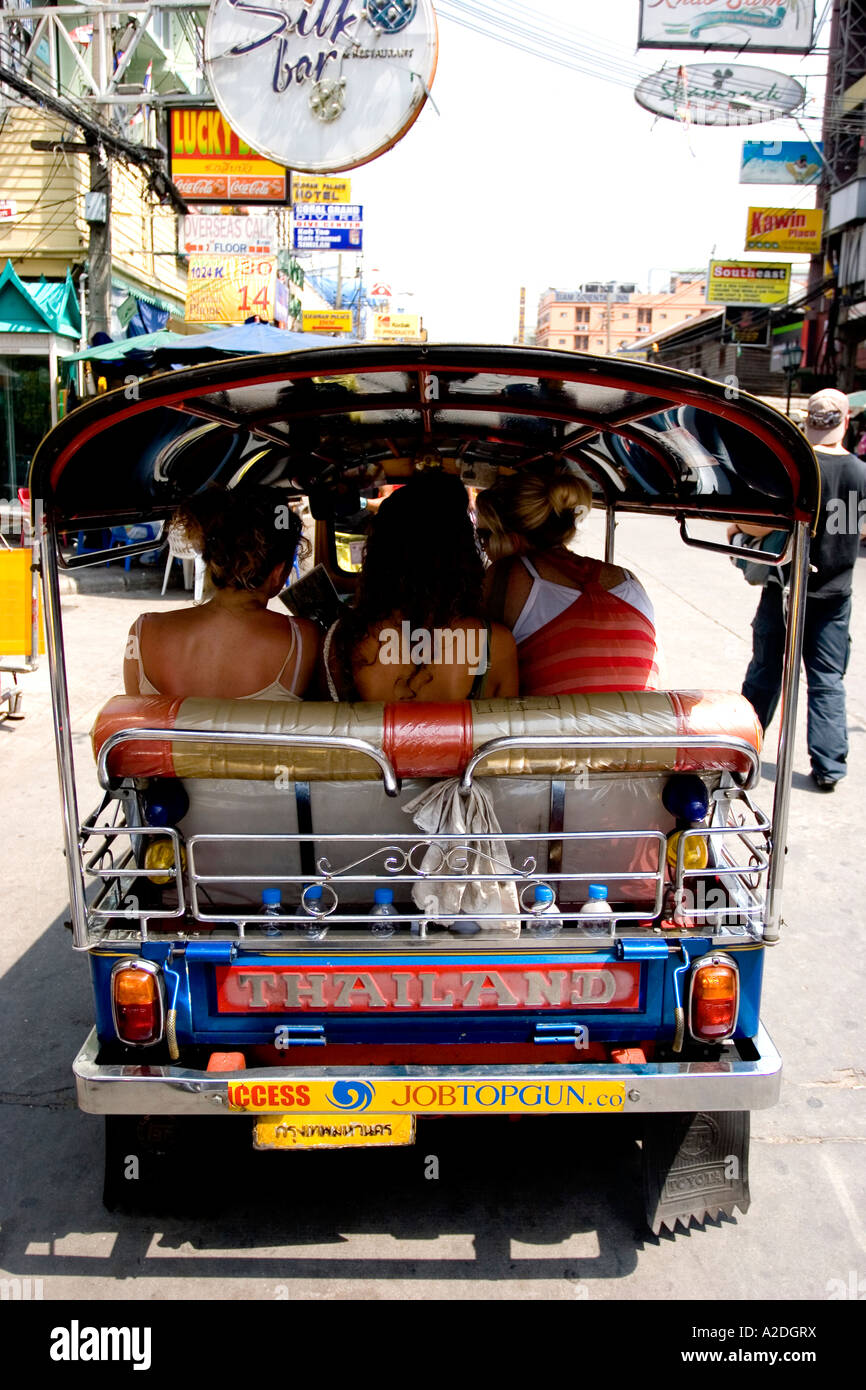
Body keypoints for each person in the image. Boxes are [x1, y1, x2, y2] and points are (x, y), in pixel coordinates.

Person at [737, 388, 866, 791]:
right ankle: (829, 766)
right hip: (835, 593)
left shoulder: (796, 469)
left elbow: (765, 525)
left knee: (764, 673)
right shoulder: (861, 472)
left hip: (784, 588)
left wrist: (737, 529)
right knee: (827, 679)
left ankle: (739, 752)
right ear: (846, 420)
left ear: (808, 421)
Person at [323, 470, 517, 701]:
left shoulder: (342, 638)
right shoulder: (496, 643)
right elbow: (506, 731)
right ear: (462, 557)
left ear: (379, 557)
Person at [476, 466, 661, 695]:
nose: (483, 547)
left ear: (512, 539)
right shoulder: (630, 582)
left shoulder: (507, 576)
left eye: (484, 536)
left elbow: (474, 671)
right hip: (641, 727)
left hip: (548, 730)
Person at [123, 486, 319, 701]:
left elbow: (136, 718)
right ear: (278, 571)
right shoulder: (302, 639)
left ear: (211, 559)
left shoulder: (143, 632)